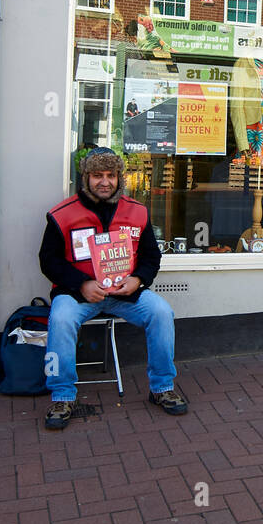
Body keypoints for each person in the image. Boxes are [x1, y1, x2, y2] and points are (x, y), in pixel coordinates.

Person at [38, 146, 186, 430]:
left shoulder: (137, 212)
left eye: (110, 175)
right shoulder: (61, 214)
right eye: (97, 175)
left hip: (124, 294)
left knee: (161, 312)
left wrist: (138, 280)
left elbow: (151, 257)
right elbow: (48, 261)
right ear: (86, 178)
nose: (104, 181)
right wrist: (81, 284)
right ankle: (62, 395)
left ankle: (162, 387)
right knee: (60, 318)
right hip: (77, 294)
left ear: (119, 178)